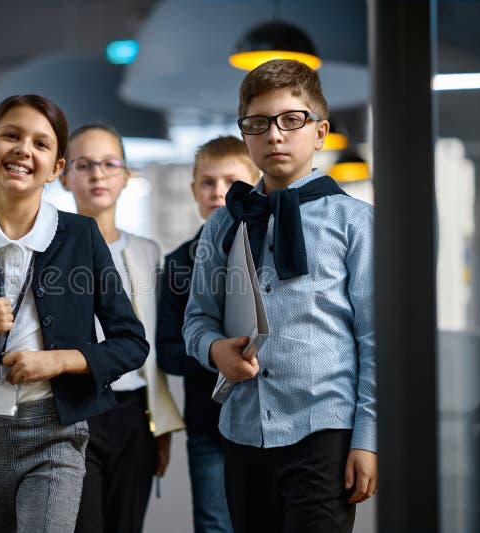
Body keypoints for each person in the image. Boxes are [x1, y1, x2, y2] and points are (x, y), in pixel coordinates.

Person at [0, 95, 149, 533]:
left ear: (57, 168)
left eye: (41, 144)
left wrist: (60, 360)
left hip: (55, 433)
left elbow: (131, 344)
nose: (24, 149)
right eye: (11, 136)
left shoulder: (81, 236)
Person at [183, 59, 377, 533]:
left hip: (323, 429)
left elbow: (377, 339)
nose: (274, 135)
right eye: (258, 124)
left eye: (291, 120)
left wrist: (368, 439)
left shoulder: (354, 221)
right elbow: (195, 321)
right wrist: (214, 351)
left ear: (320, 132)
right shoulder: (224, 223)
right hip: (242, 430)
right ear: (245, 135)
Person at [60, 123, 185, 533]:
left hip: (134, 413)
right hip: (74, 408)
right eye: (84, 164)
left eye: (110, 164)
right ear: (63, 174)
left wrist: (161, 423)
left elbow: (151, 342)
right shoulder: (49, 251)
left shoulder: (146, 252)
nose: (98, 175)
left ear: (127, 175)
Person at [156, 135, 258, 533]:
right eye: (208, 183)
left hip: (271, 420)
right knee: (216, 525)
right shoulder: (178, 263)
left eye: (230, 182)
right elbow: (167, 350)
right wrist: (217, 357)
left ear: (253, 182)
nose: (218, 193)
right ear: (194, 190)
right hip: (209, 425)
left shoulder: (272, 249)